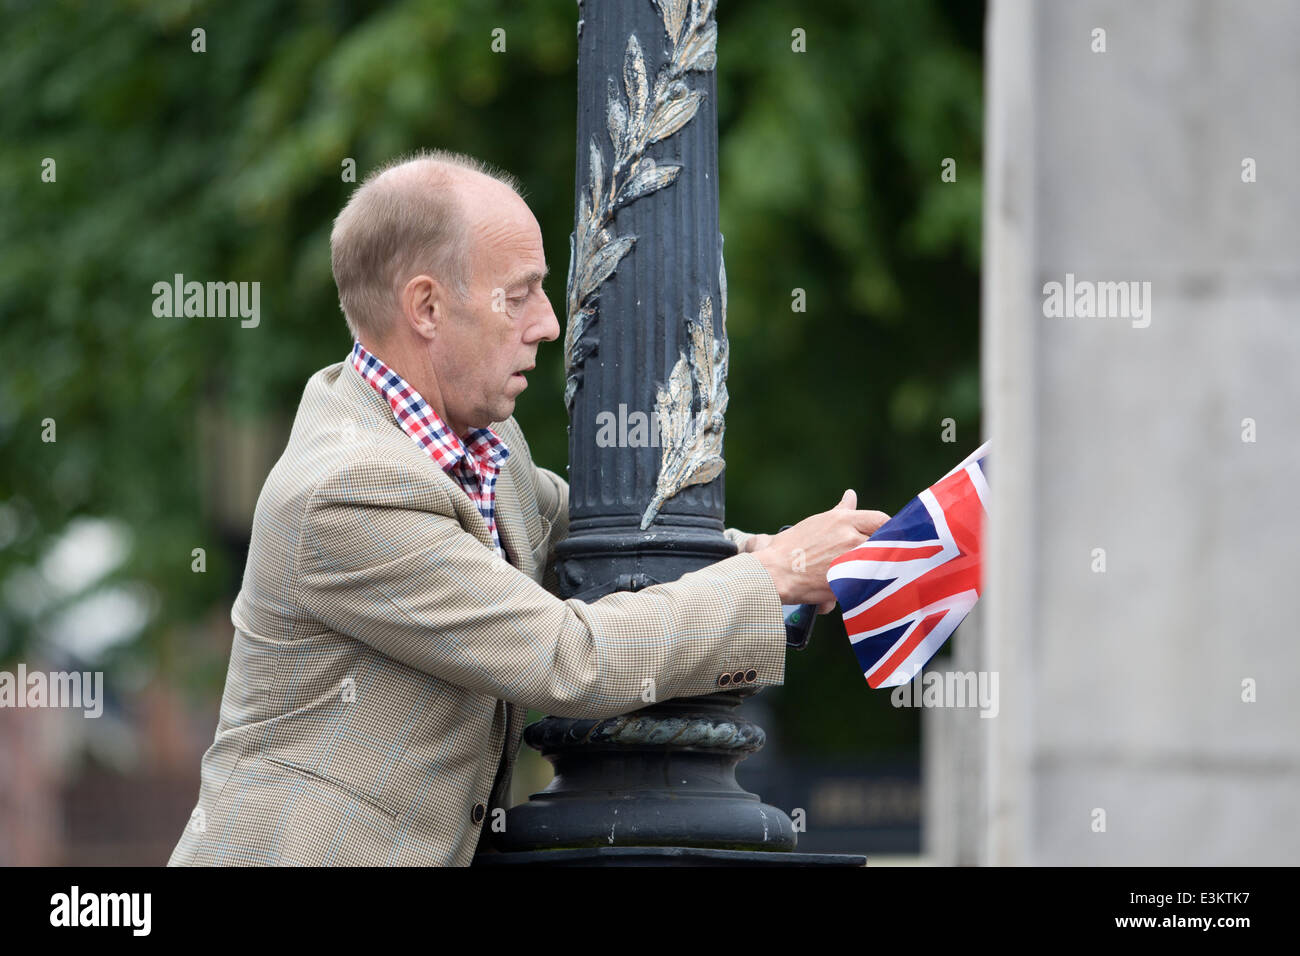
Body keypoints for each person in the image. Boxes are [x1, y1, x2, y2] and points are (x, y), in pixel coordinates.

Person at [168, 150, 887, 866]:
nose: (549, 324)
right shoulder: (347, 490)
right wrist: (778, 576)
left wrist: (767, 554)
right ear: (426, 307)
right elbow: (571, 660)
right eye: (520, 295)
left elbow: (609, 551)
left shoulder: (483, 445)